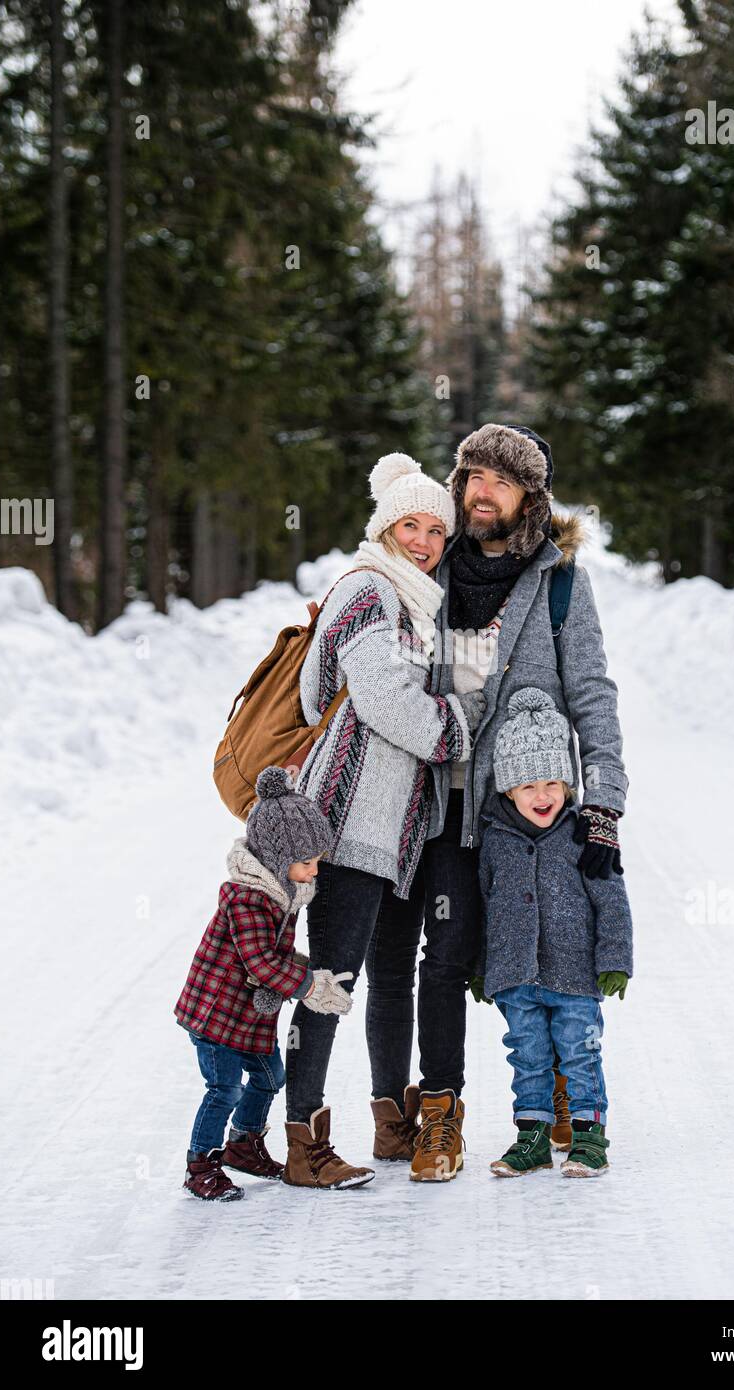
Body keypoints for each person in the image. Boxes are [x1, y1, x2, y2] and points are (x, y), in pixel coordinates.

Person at [412, 423, 628, 1181]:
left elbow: (593, 694)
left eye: (502, 481)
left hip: (534, 813)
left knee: (555, 943)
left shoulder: (560, 578)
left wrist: (602, 803)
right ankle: (436, 1117)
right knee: (446, 961)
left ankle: (566, 1097)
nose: (483, 491)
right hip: (443, 805)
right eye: (474, 475)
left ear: (528, 497)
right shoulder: (430, 567)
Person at [286, 454, 486, 1188]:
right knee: (331, 978)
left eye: (438, 529)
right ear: (385, 526)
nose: (427, 541)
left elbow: (440, 693)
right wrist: (458, 730)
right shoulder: (370, 588)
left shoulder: (423, 604)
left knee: (385, 974)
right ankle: (303, 1139)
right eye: (412, 524)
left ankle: (390, 1124)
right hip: (348, 821)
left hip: (396, 830)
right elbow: (383, 700)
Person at [174, 765, 355, 1201]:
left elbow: (272, 958)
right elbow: (259, 962)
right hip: (216, 1014)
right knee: (225, 1088)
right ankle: (200, 1164)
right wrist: (311, 986)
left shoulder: (281, 893)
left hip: (247, 1015)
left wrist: (309, 969)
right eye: (306, 863)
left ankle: (243, 1144)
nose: (314, 872)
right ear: (278, 859)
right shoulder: (248, 899)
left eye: (317, 862)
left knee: (271, 1076)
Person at [477, 687, 633, 1178]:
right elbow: (484, 905)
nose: (542, 796)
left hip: (575, 975)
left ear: (567, 783)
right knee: (528, 1059)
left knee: (581, 1054)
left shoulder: (584, 833)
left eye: (552, 783)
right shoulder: (493, 840)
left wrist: (615, 960)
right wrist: (482, 967)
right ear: (508, 790)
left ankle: (589, 1140)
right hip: (517, 978)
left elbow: (612, 900)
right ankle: (533, 1139)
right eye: (528, 787)